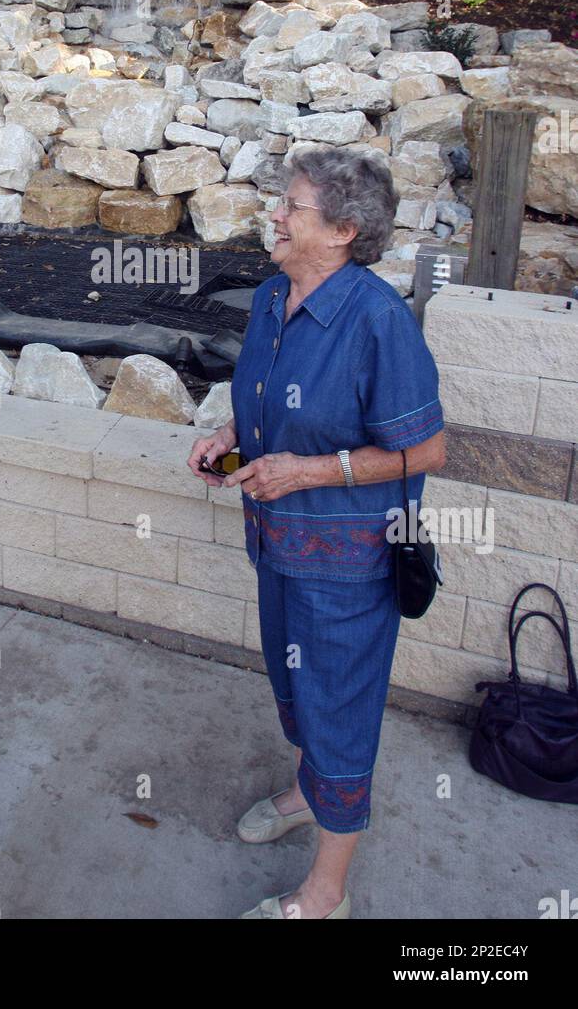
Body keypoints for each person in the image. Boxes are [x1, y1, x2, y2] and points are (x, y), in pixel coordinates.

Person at [188, 146, 446, 921]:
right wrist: (230, 436)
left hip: (347, 566)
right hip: (276, 546)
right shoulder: (274, 297)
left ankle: (325, 892)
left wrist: (305, 473)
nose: (275, 213)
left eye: (291, 205)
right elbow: (273, 405)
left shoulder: (377, 320)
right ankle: (307, 791)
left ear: (340, 230)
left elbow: (425, 449)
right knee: (295, 688)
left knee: (338, 709)